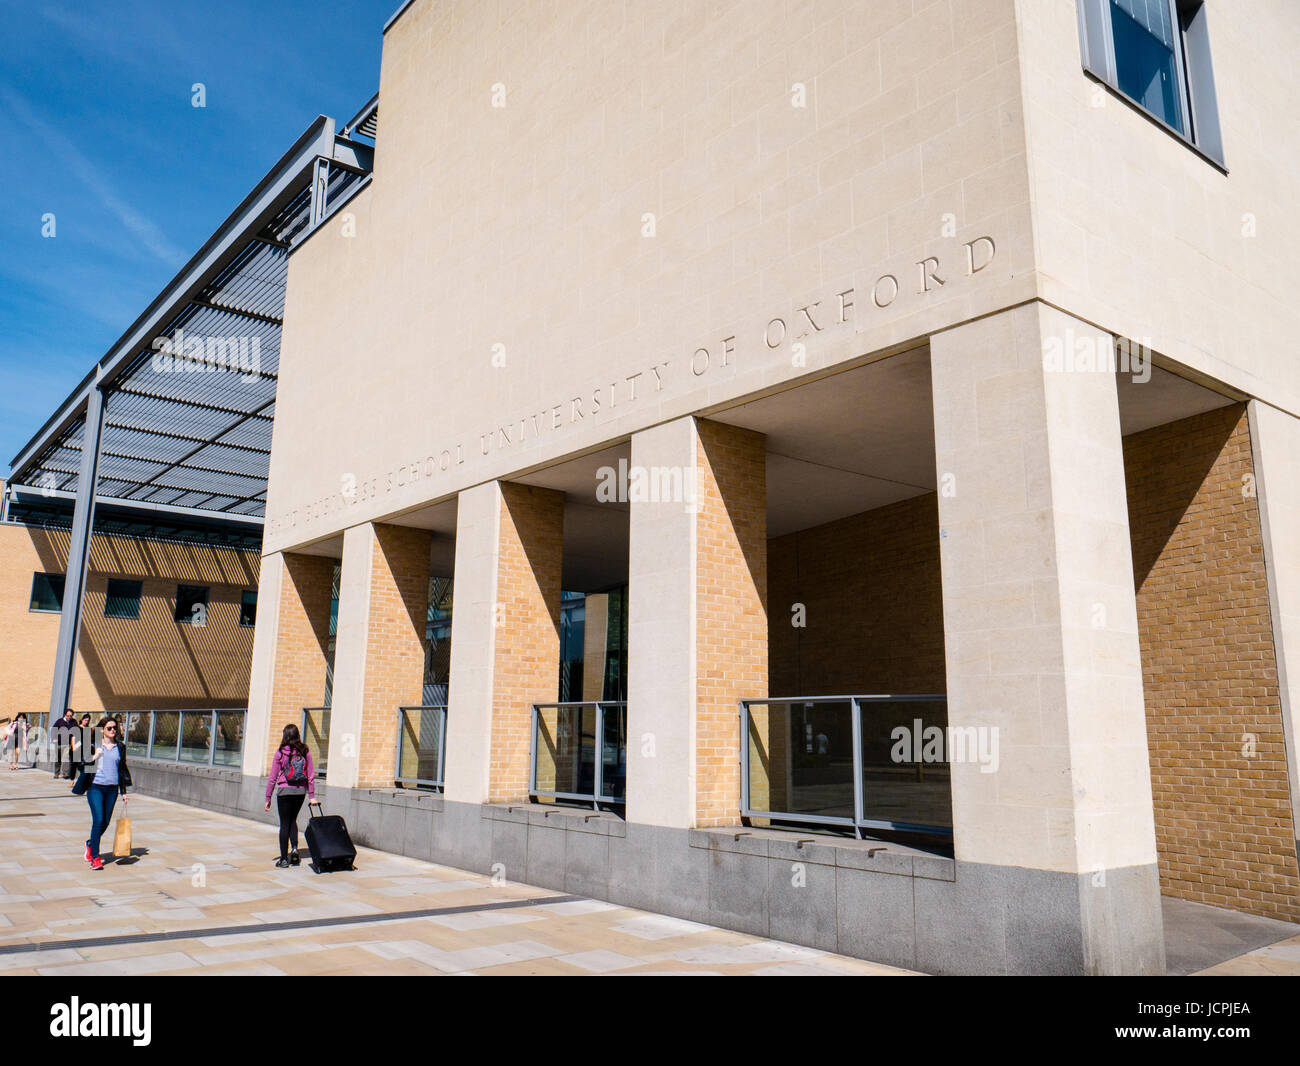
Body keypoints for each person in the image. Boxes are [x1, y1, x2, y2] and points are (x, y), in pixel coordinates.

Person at [264, 724, 319, 868]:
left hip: (284, 792)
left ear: (285, 736)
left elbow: (272, 777)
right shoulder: (304, 750)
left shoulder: (281, 752)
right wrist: (311, 795)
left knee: (284, 824)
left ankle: (283, 859)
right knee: (293, 820)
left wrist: (268, 798)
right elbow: (311, 774)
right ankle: (294, 850)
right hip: (300, 792)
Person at [84, 716, 129, 870]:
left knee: (105, 822)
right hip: (95, 787)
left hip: (112, 789)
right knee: (98, 820)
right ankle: (95, 858)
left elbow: (122, 769)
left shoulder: (120, 747)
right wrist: (94, 756)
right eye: (109, 728)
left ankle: (90, 843)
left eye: (114, 728)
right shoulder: (92, 745)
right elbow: (81, 764)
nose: (112, 730)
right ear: (102, 730)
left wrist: (123, 791)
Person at [67, 713, 93, 791]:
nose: (86, 722)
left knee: (83, 766)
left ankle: (82, 782)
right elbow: (73, 738)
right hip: (75, 750)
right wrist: (73, 747)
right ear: (82, 720)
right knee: (73, 766)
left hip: (84, 751)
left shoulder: (88, 729)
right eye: (85, 720)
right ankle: (72, 780)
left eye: (88, 721)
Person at [52, 708, 77, 779]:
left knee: (66, 758)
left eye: (71, 716)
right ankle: (56, 773)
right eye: (68, 715)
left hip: (67, 743)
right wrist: (54, 738)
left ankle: (65, 773)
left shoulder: (74, 722)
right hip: (59, 743)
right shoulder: (59, 721)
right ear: (65, 715)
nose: (69, 717)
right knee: (58, 759)